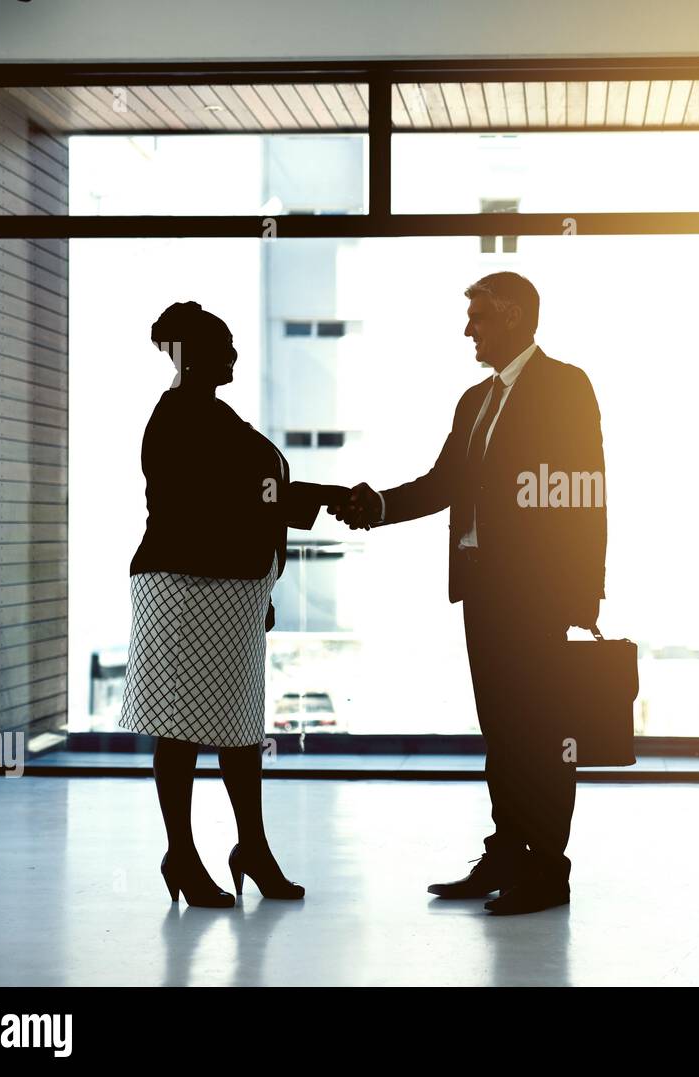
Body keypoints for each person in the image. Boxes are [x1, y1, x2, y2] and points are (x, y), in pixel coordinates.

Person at [331, 272, 607, 915]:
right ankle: (507, 851)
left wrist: (582, 594)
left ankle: (547, 868)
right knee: (503, 731)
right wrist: (375, 506)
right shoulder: (474, 400)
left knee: (541, 732)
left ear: (512, 317)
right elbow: (444, 483)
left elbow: (586, 489)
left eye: (478, 317)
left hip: (538, 594)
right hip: (483, 589)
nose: (468, 329)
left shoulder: (566, 386)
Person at [120, 300, 324, 907]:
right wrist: (321, 498)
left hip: (228, 591)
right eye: (224, 346)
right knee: (181, 728)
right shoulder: (179, 416)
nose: (234, 355)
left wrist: (261, 581)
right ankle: (181, 854)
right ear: (193, 354)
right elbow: (227, 501)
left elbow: (252, 496)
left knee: (239, 725)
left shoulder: (209, 414)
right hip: (185, 588)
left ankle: (250, 848)